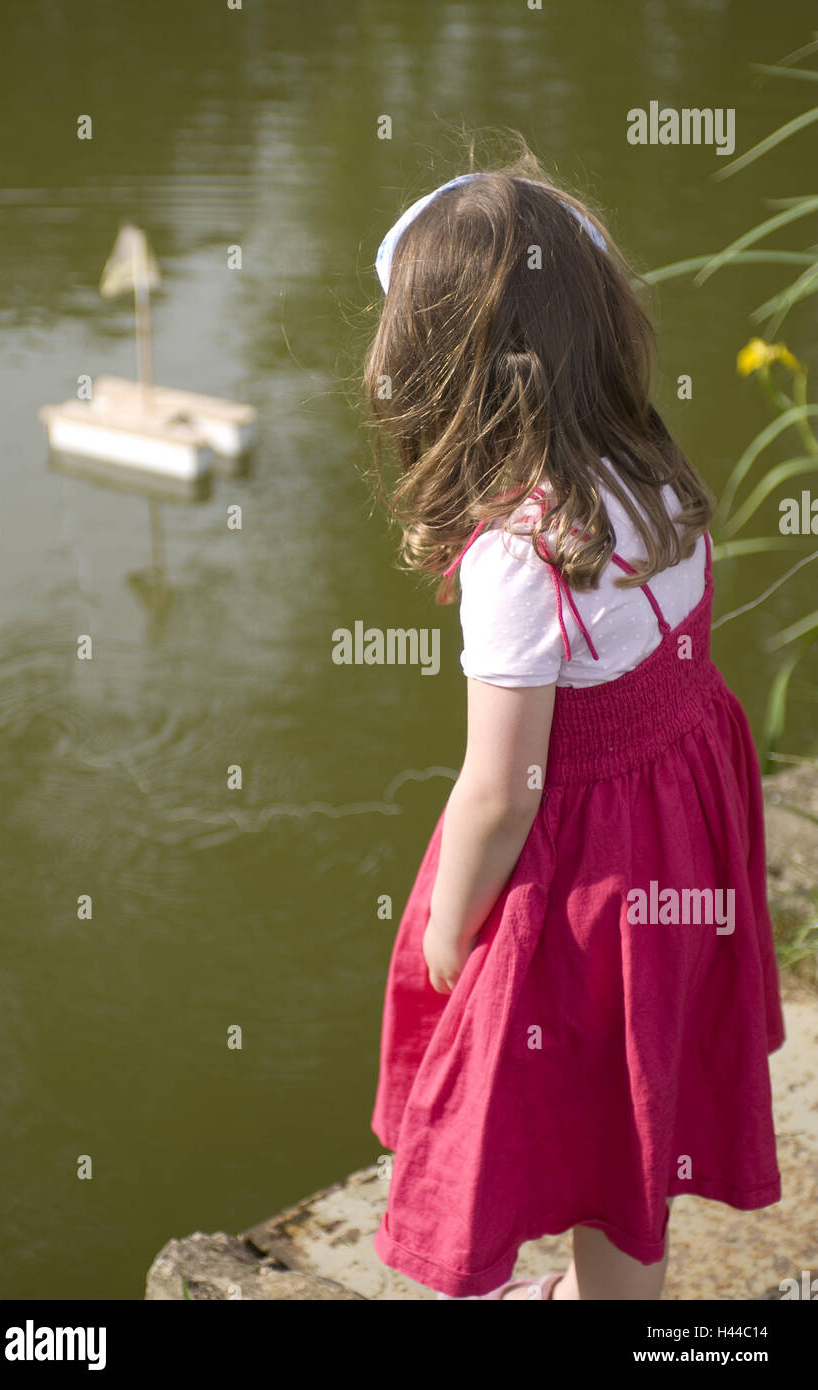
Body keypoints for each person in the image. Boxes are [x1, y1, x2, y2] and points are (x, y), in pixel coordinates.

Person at [364, 148, 785, 1301]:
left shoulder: (515, 555)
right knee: (626, 1115)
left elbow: (500, 789)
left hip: (582, 879)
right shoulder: (652, 467)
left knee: (508, 1094)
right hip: (679, 832)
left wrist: (448, 924)